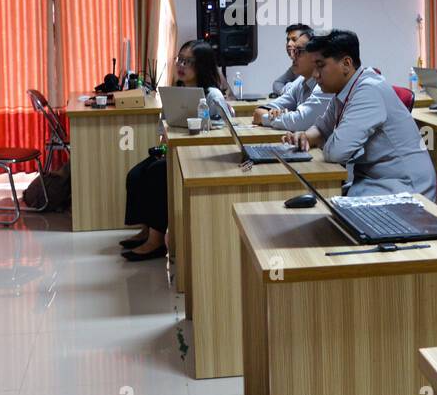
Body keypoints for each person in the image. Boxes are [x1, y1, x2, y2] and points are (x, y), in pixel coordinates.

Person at [283, 29, 435, 198]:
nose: (315, 74)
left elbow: (336, 152)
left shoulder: (369, 90)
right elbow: (321, 128)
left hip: (407, 190)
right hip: (376, 182)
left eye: (320, 65)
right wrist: (306, 137)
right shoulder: (344, 90)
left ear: (346, 64)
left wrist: (324, 140)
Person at [121, 40, 232, 260]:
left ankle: (156, 240)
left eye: (188, 61)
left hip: (202, 158)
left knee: (156, 175)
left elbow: (228, 128)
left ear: (202, 65)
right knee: (136, 174)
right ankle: (146, 230)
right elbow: (166, 124)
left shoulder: (212, 95)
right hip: (176, 152)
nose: (181, 65)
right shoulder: (178, 90)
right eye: (180, 59)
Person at [252, 28, 329, 131]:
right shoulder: (301, 81)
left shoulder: (325, 84)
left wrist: (270, 118)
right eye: (293, 51)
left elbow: (300, 121)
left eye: (299, 51)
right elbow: (259, 112)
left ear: (315, 55)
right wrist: (274, 115)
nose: (293, 55)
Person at [270, 23, 314, 96]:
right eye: (288, 40)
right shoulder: (295, 67)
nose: (289, 44)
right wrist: (287, 90)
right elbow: (277, 83)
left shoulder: (313, 69)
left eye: (294, 39)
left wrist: (290, 88)